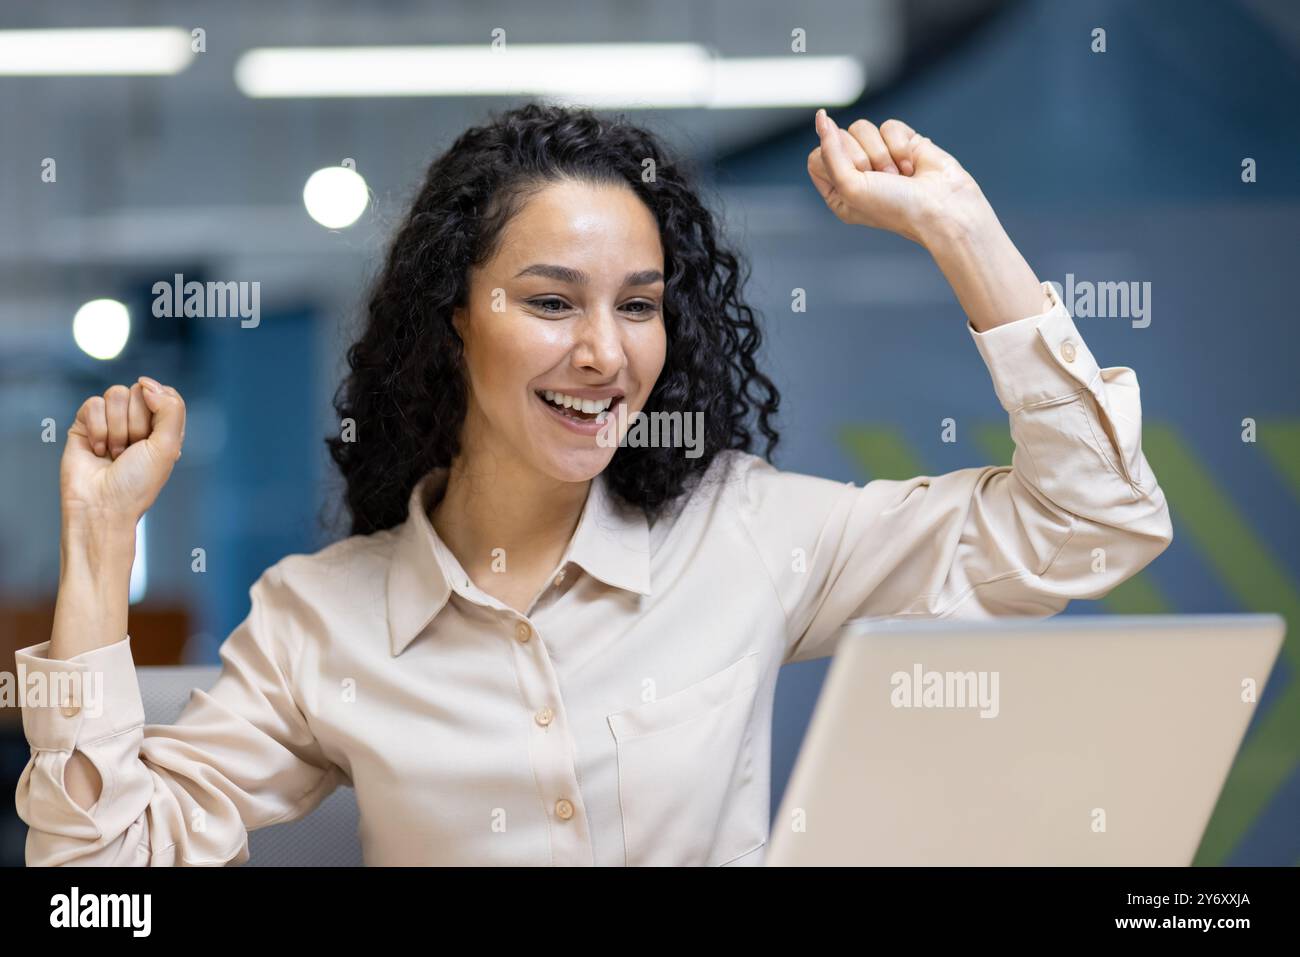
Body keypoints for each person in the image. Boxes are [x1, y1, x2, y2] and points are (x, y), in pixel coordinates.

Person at [15, 102, 1172, 866]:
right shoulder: (321, 621)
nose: (605, 355)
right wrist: (100, 539)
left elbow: (1089, 525)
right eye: (552, 300)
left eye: (637, 304)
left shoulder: (747, 533)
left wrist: (962, 230)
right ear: (453, 320)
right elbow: (99, 879)